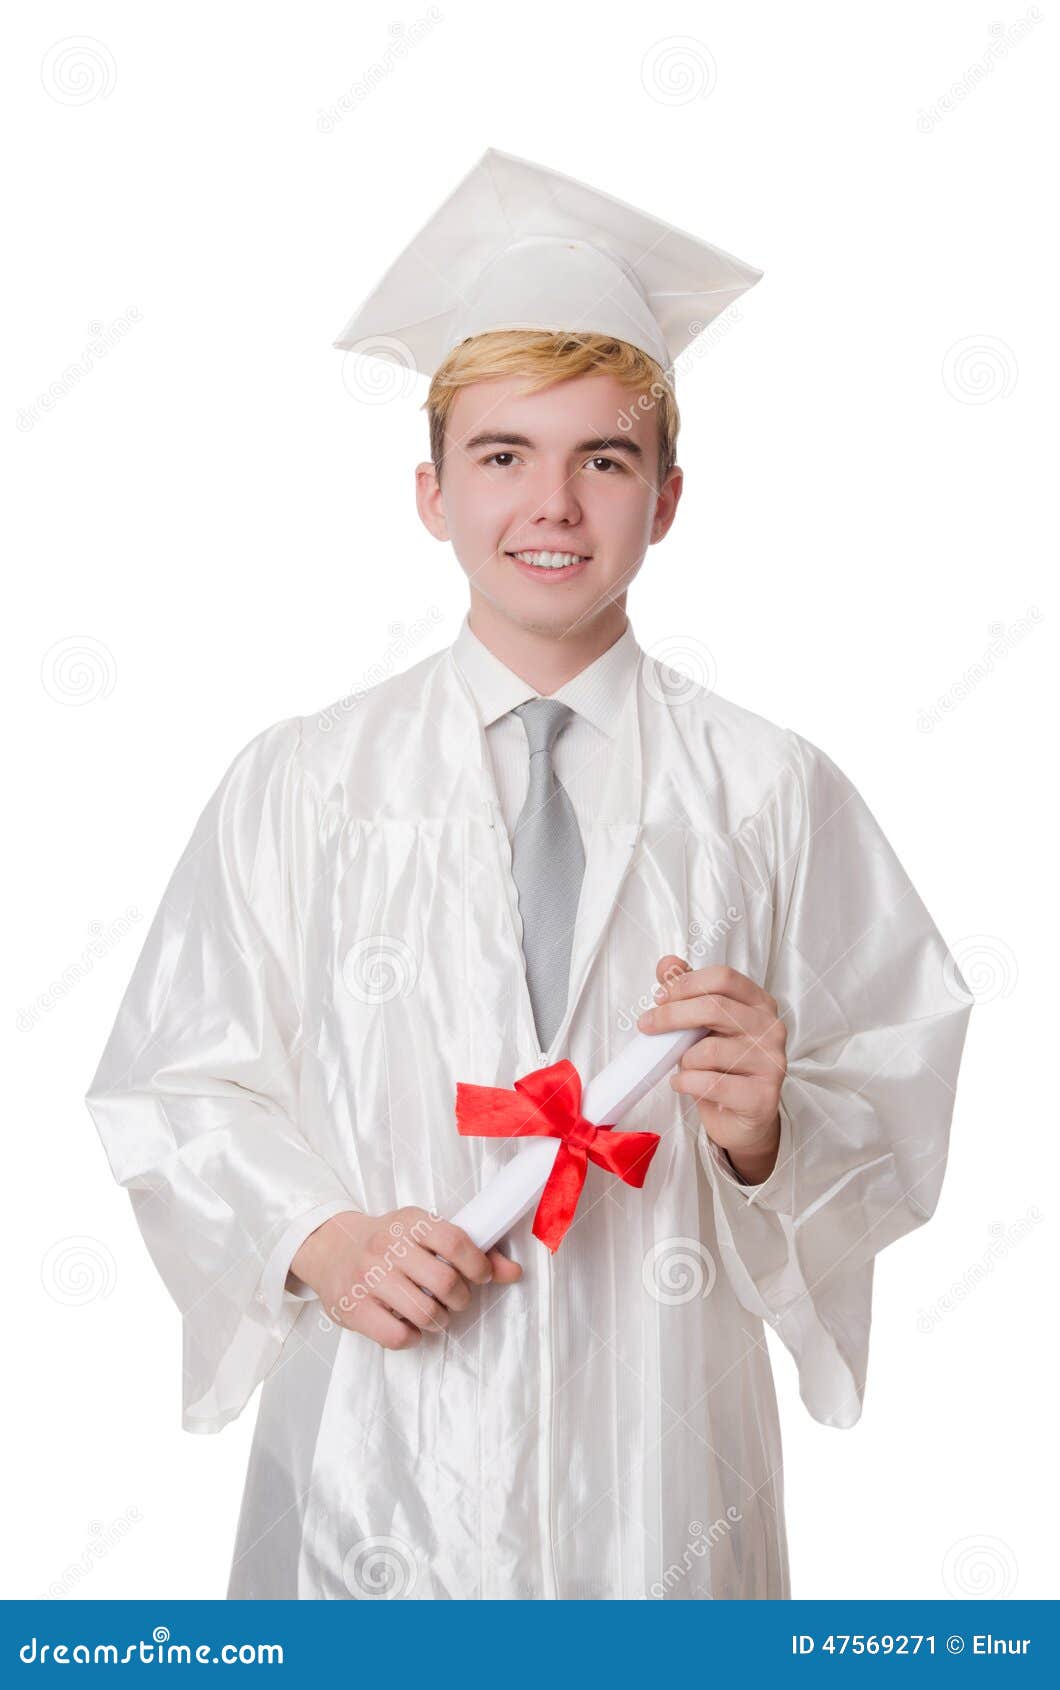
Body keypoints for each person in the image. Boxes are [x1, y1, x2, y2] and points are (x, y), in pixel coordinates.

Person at [84, 147, 974, 1600]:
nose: (552, 503)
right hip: (374, 1473)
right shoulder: (306, 785)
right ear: (430, 491)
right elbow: (173, 1085)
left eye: (602, 459)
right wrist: (325, 1238)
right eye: (503, 455)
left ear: (666, 497)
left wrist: (769, 1131)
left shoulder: (767, 792)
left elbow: (896, 1081)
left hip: (664, 1482)